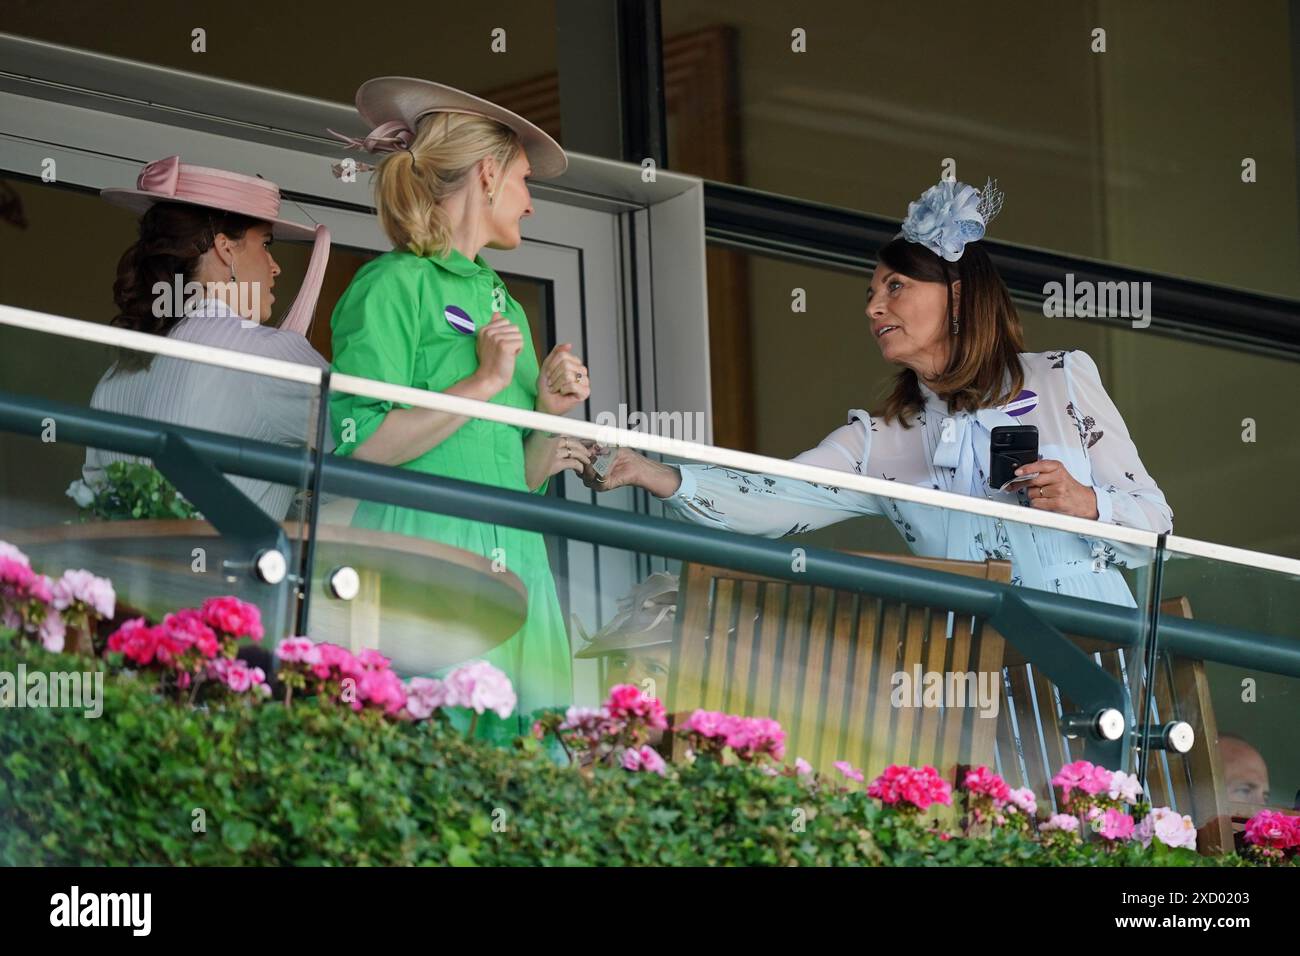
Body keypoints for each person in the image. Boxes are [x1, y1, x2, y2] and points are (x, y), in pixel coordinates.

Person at [582, 178, 1173, 608]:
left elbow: (1158, 525)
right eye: (870, 292)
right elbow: (770, 494)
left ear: (959, 296)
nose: (872, 307)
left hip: (1097, 649)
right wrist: (655, 473)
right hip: (974, 677)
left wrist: (1088, 503)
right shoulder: (879, 440)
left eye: (895, 286)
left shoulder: (1060, 379)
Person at [327, 78, 589, 737]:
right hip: (425, 562)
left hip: (519, 566)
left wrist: (552, 411)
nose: (531, 205)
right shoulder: (390, 285)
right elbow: (362, 446)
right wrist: (480, 383)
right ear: (488, 174)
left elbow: (517, 474)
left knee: (523, 778)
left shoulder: (503, 303)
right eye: (527, 182)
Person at [83, 155, 333, 521]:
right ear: (225, 247)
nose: (275, 266)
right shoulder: (269, 356)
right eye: (266, 243)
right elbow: (374, 443)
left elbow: (95, 503)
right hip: (225, 575)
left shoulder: (117, 374)